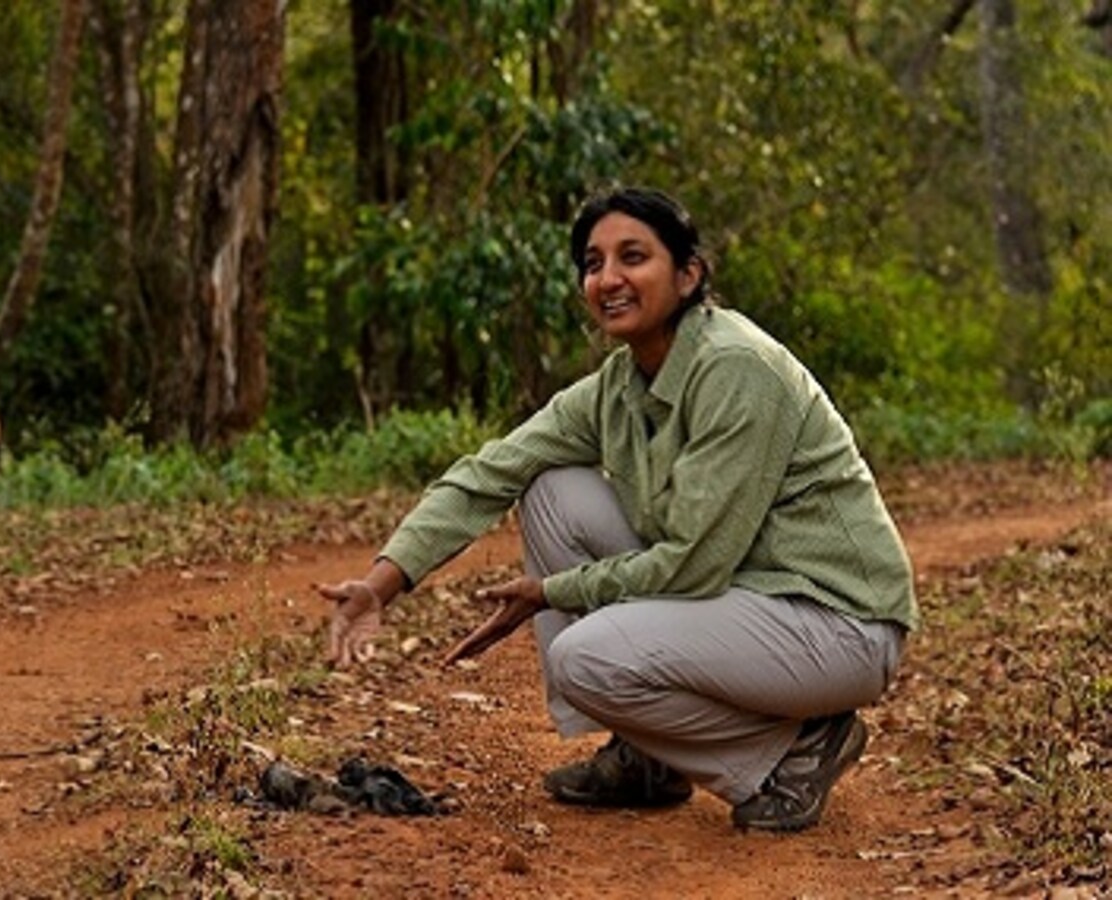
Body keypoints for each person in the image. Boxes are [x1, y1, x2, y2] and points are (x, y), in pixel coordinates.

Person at [318, 185, 918, 832]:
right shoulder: (619, 386)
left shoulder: (736, 368)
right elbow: (491, 472)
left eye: (633, 257)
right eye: (592, 263)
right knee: (550, 491)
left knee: (584, 656)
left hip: (835, 620)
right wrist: (382, 585)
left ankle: (786, 758)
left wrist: (554, 590)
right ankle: (646, 756)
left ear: (688, 275)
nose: (609, 279)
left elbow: (694, 565)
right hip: (750, 593)